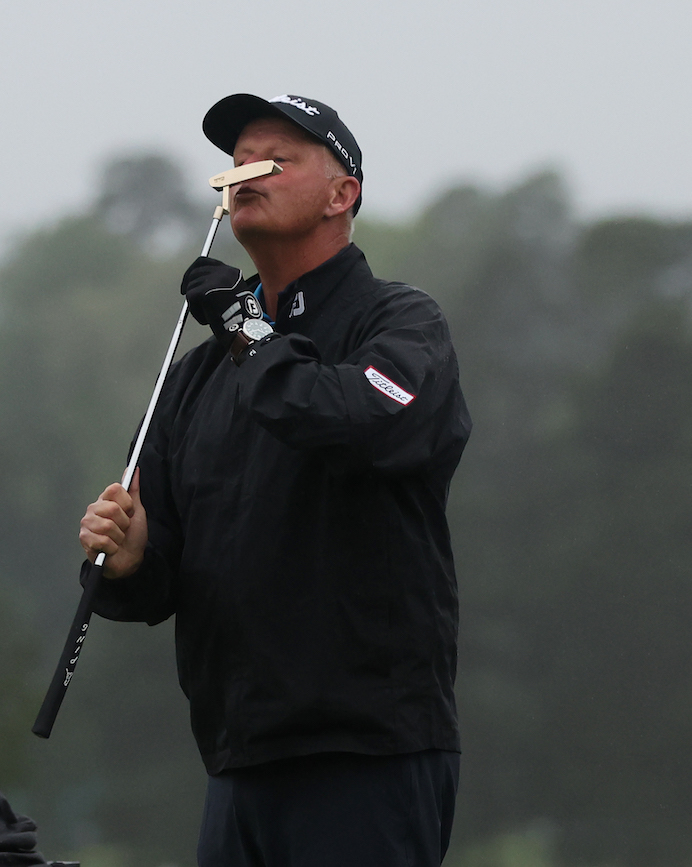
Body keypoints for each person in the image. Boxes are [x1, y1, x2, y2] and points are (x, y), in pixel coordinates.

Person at [79, 93, 471, 867]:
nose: (244, 173)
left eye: (275, 159)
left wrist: (245, 331)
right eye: (235, 163)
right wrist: (126, 560)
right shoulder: (193, 378)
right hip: (238, 756)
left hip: (367, 750)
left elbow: (359, 421)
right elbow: (157, 575)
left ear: (342, 193)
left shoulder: (401, 324)